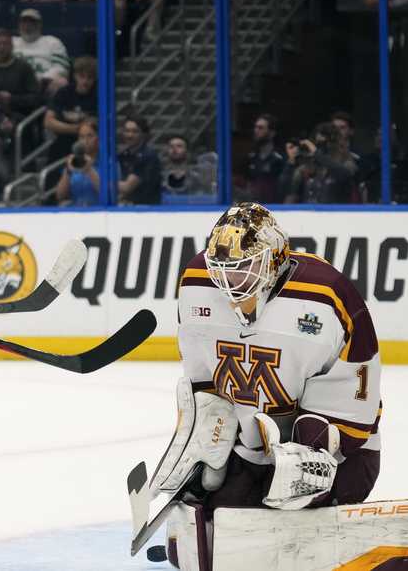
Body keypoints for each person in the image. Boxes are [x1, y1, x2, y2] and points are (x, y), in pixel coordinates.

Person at [159, 202, 381, 563]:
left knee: (289, 534)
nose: (231, 282)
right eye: (224, 269)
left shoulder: (328, 295)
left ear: (275, 259)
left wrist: (309, 453)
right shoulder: (198, 282)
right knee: (208, 544)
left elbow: (357, 404)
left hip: (340, 455)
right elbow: (205, 384)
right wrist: (206, 444)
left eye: (245, 267)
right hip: (249, 451)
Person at [12, 8, 70, 96]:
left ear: (39, 25)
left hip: (44, 84)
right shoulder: (11, 42)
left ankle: (53, 109)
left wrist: (42, 79)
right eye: (24, 22)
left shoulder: (52, 42)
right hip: (16, 83)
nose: (27, 26)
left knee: (61, 82)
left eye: (31, 22)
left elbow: (61, 68)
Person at [117, 115, 161, 205]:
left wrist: (102, 180)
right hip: (128, 209)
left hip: (148, 211)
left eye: (135, 131)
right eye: (127, 131)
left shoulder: (148, 155)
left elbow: (126, 188)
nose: (130, 135)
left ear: (143, 134)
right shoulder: (123, 155)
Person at [56, 117, 101, 206]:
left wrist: (89, 170)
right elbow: (60, 196)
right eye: (81, 136)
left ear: (99, 139)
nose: (85, 141)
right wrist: (68, 172)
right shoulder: (74, 161)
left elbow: (106, 193)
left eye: (90, 136)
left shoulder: (109, 163)